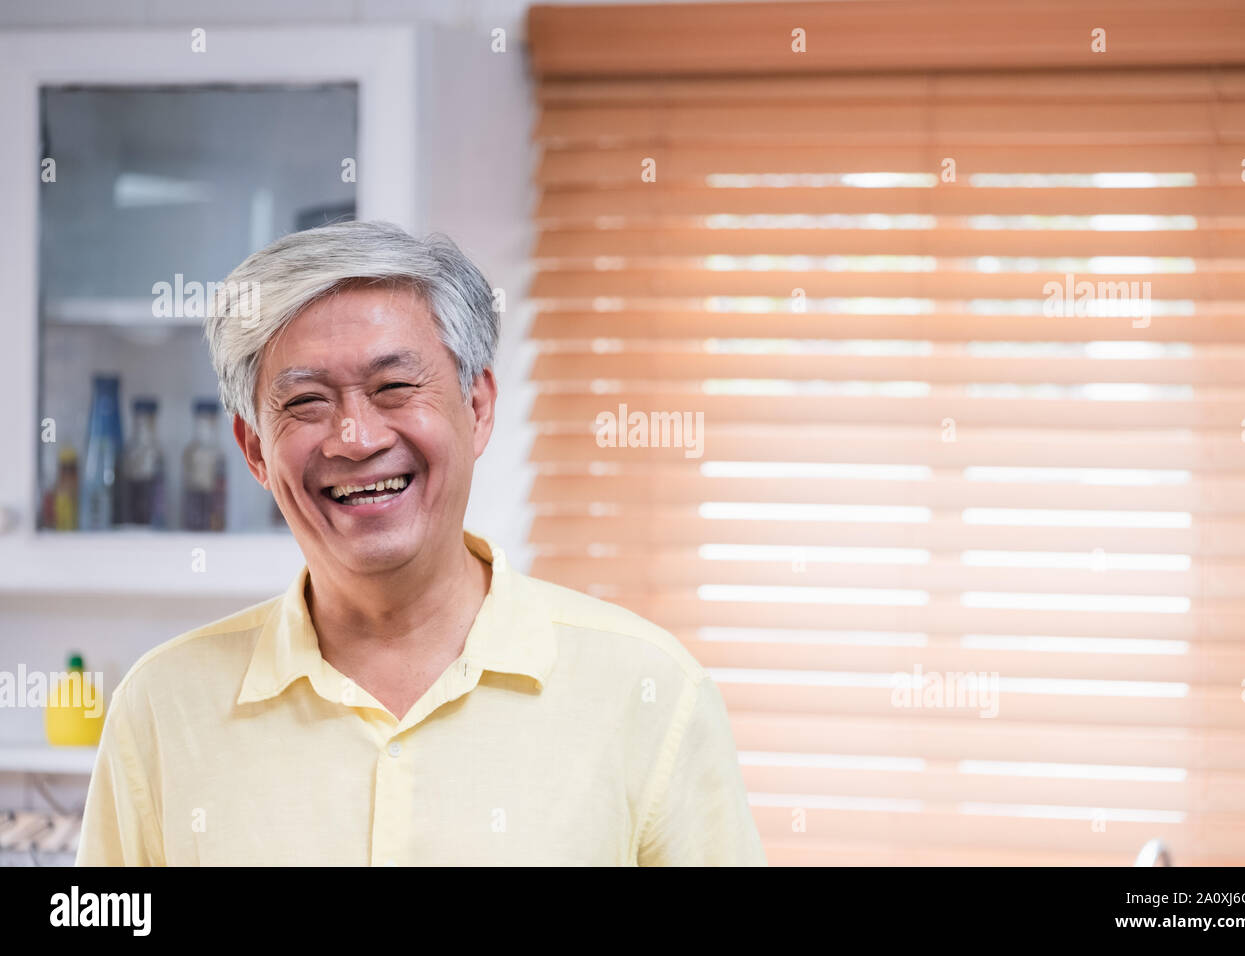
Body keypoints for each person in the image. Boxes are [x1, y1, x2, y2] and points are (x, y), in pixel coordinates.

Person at [74, 220, 766, 866]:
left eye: (396, 386)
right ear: (255, 449)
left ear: (478, 407)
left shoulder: (649, 691)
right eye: (307, 401)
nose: (358, 438)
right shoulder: (162, 708)